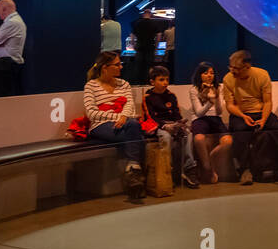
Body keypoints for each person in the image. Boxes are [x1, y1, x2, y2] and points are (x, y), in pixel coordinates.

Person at [222, 50, 278, 185]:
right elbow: (230, 105)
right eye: (230, 67)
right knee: (240, 132)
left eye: (236, 69)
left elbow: (267, 102)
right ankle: (244, 170)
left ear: (247, 67)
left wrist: (263, 119)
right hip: (240, 113)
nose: (232, 71)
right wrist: (243, 116)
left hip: (261, 111)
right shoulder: (228, 79)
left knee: (277, 129)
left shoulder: (262, 75)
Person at [83, 51, 147, 201]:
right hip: (101, 125)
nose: (121, 67)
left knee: (133, 126)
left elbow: (129, 105)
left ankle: (133, 175)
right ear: (105, 67)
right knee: (137, 137)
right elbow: (92, 113)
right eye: (117, 64)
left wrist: (124, 116)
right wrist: (118, 117)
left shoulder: (124, 84)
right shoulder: (91, 86)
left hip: (125, 124)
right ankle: (136, 176)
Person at [143, 66, 198, 188]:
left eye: (167, 79)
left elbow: (176, 114)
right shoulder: (148, 98)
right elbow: (150, 117)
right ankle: (167, 169)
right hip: (158, 126)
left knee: (188, 133)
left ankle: (189, 169)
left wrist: (180, 123)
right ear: (152, 82)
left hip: (173, 124)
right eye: (161, 80)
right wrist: (165, 126)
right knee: (166, 137)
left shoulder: (171, 96)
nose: (165, 83)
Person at [188, 61, 232, 184]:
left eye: (212, 73)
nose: (209, 75)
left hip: (215, 118)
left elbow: (218, 112)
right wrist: (209, 102)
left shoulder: (219, 87)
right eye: (206, 73)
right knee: (199, 139)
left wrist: (216, 98)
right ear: (200, 75)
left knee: (228, 141)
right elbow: (199, 113)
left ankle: (209, 163)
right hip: (200, 119)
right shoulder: (194, 89)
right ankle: (207, 168)